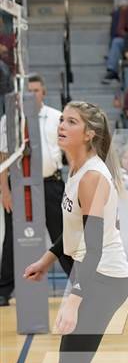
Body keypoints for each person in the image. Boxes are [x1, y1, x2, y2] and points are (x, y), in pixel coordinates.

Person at [24, 103, 128, 363]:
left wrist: (72, 300)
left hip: (104, 277)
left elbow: (97, 245)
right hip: (95, 273)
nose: (61, 126)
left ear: (89, 133)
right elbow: (74, 232)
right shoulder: (77, 171)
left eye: (71, 121)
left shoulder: (92, 176)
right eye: (62, 120)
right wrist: (47, 259)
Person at [0, 76, 65, 306]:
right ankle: (4, 289)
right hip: (20, 188)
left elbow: (72, 151)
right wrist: (4, 191)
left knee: (63, 235)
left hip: (52, 185)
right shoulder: (11, 119)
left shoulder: (58, 117)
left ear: (43, 93)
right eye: (28, 91)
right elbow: (3, 156)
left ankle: (80, 283)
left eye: (36, 90)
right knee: (12, 238)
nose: (32, 94)